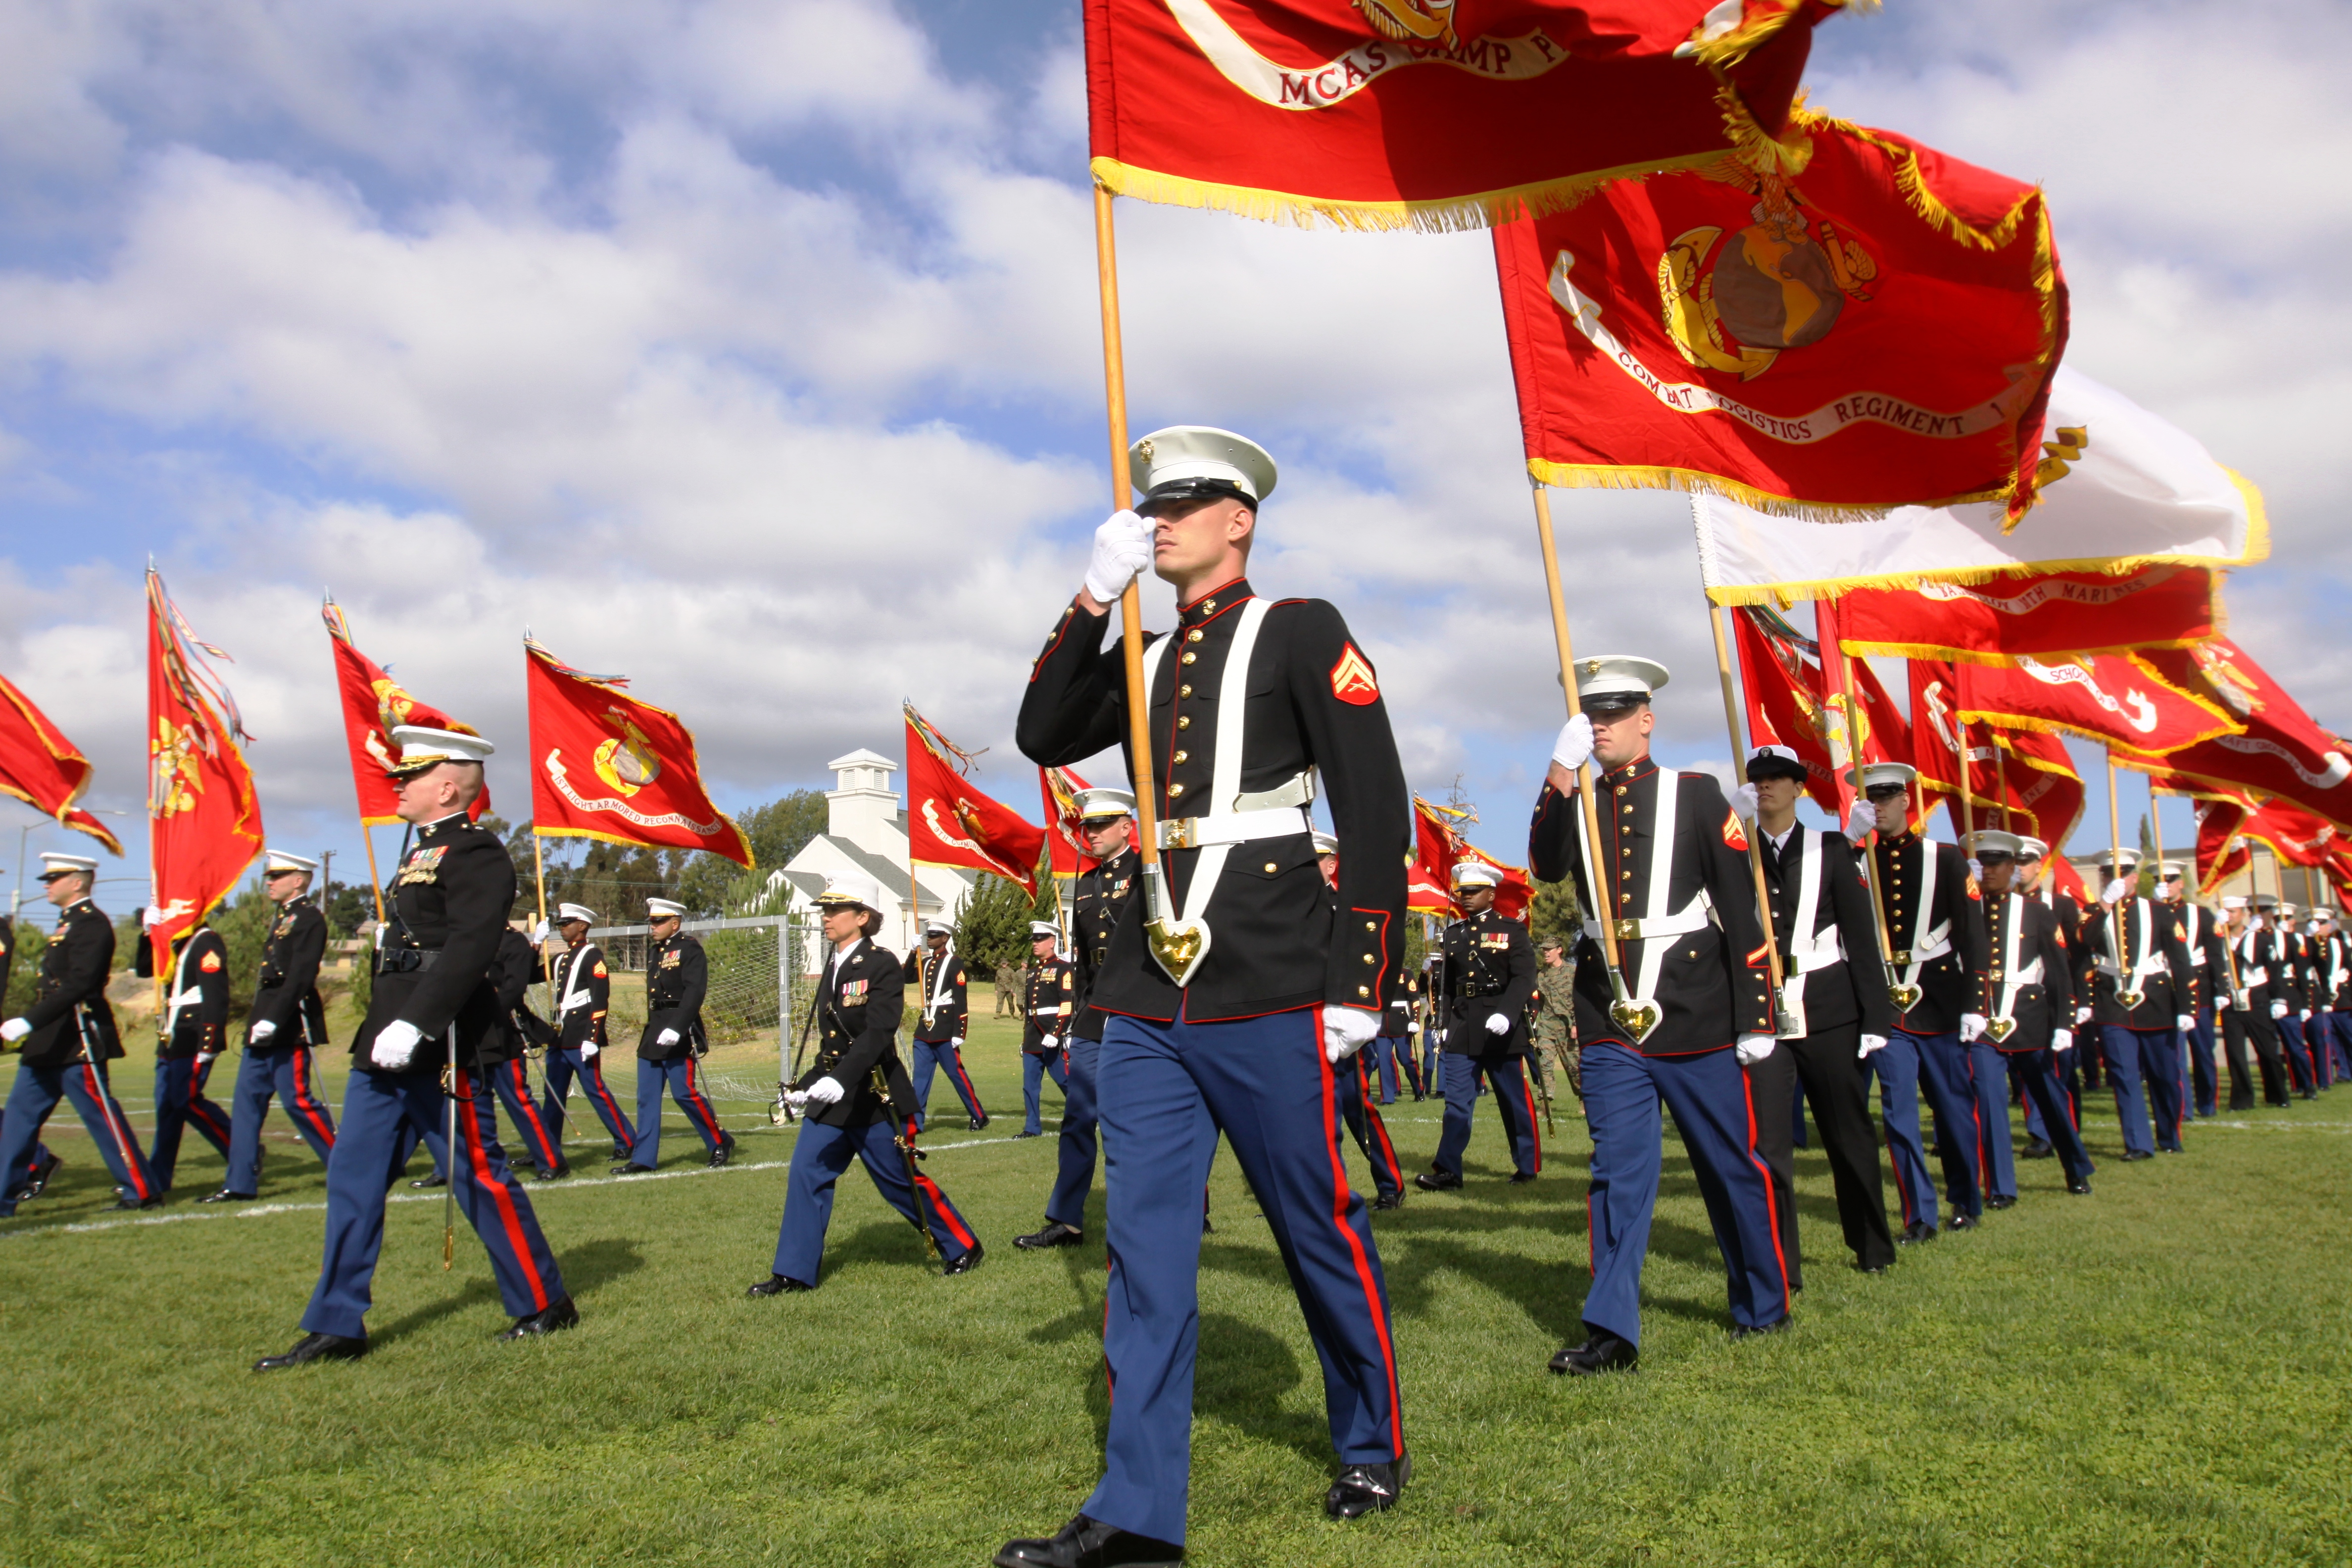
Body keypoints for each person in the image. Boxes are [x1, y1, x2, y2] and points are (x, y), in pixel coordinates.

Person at [1002, 424, 1411, 1565]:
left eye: (1182, 501)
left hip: (1272, 969)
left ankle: (1369, 1439)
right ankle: (1137, 1509)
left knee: (1311, 1223)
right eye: (1150, 504)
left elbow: (1376, 810)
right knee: (1141, 1246)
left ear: (1238, 518)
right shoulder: (1139, 652)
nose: (1160, 517)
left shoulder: (1300, 629)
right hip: (1147, 986)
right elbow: (1040, 732)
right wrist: (1091, 594)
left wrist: (1358, 980)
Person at [254, 727, 574, 1369]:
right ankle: (338, 1322)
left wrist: (421, 1021)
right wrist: (390, 1024)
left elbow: (472, 944)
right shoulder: (417, 852)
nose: (398, 786)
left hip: (444, 1038)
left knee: (476, 1173)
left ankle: (544, 1302)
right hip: (387, 1038)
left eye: (411, 777)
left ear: (447, 786)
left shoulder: (477, 852)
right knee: (352, 1175)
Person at [1527, 656, 1788, 1374]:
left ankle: (1763, 1303)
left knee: (1729, 1166)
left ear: (1647, 719)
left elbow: (1743, 912)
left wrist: (1757, 1017)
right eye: (1591, 713)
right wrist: (1557, 770)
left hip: (1698, 1010)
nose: (1601, 725)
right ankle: (1612, 1329)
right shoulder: (1576, 798)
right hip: (1611, 1012)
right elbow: (1544, 866)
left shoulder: (1697, 796)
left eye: (1614, 712)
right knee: (1618, 1172)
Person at [750, 874, 981, 1293]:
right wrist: (806, 1087)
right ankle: (794, 1272)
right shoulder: (833, 965)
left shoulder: (882, 964)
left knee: (898, 1182)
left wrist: (840, 1080)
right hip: (836, 1092)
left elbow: (878, 1033)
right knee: (806, 1171)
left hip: (875, 1094)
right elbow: (834, 1042)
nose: (826, 917)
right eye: (825, 909)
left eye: (836, 910)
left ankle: (963, 1245)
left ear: (862, 917)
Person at [1742, 745, 1894, 1276]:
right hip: (1764, 1014)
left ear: (1799, 788)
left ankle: (1872, 1246)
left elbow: (1860, 937)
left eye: (1778, 778)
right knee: (1768, 1146)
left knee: (1848, 1136)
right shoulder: (1739, 853)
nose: (1766, 786)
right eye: (1757, 778)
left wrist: (1876, 1018)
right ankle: (1782, 1263)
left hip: (1829, 1009)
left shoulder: (1830, 848)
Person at [1860, 762, 1989, 1240]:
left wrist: (1976, 1002)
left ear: (1906, 801)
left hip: (1939, 1002)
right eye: (1871, 797)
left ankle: (1965, 1198)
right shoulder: (1859, 861)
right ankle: (1919, 1213)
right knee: (1898, 1113)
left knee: (1953, 1110)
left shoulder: (1948, 858)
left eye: (1888, 796)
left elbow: (1973, 937)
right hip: (1887, 1009)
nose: (1879, 805)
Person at [0, 853, 160, 1214]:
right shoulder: (66, 923)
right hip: (48, 1040)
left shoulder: (93, 924)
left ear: (77, 882)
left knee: (102, 1119)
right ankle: (3, 1198)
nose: (46, 885)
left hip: (76, 1038)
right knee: (17, 1121)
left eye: (54, 878)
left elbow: (79, 985)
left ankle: (141, 1188)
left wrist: (29, 1020)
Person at [1018, 786, 1138, 1250]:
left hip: (1141, 1011)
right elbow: (1086, 962)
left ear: (1127, 827)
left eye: (1101, 825)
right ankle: (1067, 1221)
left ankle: (1177, 1211)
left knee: (1140, 1121)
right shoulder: (1085, 884)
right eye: (1086, 826)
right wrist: (1077, 1020)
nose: (1090, 834)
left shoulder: (1151, 873)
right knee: (1078, 1118)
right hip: (1095, 1016)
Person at [1966, 831, 2093, 1199]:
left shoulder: (2038, 912)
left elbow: (2058, 970)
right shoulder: (1968, 909)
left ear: (2013, 868)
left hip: (2030, 1019)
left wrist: (2065, 1022)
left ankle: (2075, 1167)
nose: (1988, 872)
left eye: (1997, 865)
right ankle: (2001, 1187)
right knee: (1989, 1102)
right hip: (1983, 1021)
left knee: (2051, 1099)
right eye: (1983, 864)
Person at [207, 851, 340, 1202]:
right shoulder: (284, 916)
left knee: (297, 1101)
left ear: (298, 880)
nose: (269, 882)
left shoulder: (310, 919)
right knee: (247, 1104)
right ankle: (239, 1182)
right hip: (263, 1022)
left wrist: (274, 1017)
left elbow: (300, 975)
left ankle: (346, 1166)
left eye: (276, 876)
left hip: (287, 1023)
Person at [1417, 861, 1540, 1190]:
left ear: (1491, 893)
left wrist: (1508, 1012)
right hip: (1462, 1023)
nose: (1466, 897)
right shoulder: (1454, 935)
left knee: (1512, 1100)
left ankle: (1527, 1165)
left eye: (1473, 892)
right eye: (1463, 892)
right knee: (1457, 1101)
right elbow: (1445, 986)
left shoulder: (1512, 931)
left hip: (1500, 1023)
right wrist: (1441, 1023)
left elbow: (1525, 977)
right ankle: (1448, 1171)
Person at [2079, 848, 2195, 1159]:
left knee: (2165, 1075)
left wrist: (2187, 1006)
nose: (2113, 880)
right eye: (2107, 875)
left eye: (2121, 874)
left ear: (2133, 877)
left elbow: (2180, 960)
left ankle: (2170, 1136)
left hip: (2155, 999)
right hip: (2112, 1000)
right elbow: (2083, 943)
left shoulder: (2158, 910)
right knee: (2123, 1074)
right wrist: (2106, 904)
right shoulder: (2094, 911)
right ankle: (2138, 1144)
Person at [1318, 832, 1405, 1211]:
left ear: (1332, 865)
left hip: (1339, 1026)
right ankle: (1315, 1195)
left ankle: (1390, 1183)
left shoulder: (1343, 908)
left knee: (1357, 1110)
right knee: (1306, 1116)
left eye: (1315, 860)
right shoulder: (1286, 909)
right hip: (1299, 1022)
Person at [617, 897, 734, 1174]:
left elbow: (695, 992)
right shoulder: (654, 951)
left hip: (679, 1032)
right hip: (654, 1031)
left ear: (675, 923)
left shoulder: (689, 949)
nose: (653, 927)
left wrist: (678, 1027)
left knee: (684, 1094)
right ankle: (643, 1159)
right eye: (651, 921)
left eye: (658, 921)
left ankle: (720, 1141)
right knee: (646, 1098)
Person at [536, 903, 636, 1162]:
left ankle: (626, 1140)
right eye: (559, 925)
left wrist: (592, 1038)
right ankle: (546, 1148)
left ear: (582, 926)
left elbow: (601, 998)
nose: (562, 929)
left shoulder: (592, 956)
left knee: (595, 1090)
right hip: (559, 1037)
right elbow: (526, 975)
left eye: (565, 924)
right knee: (553, 1095)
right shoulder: (560, 958)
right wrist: (536, 944)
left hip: (581, 1038)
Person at [144, 914, 235, 1194]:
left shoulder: (206, 941)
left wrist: (209, 1042)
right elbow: (144, 968)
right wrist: (148, 934)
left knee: (185, 1099)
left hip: (193, 1034)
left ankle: (242, 1152)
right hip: (172, 1034)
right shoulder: (174, 941)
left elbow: (216, 996)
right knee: (167, 1108)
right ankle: (158, 1177)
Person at [487, 923, 569, 1179]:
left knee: (516, 1099)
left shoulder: (510, 941)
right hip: (465, 1030)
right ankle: (450, 1166)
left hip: (500, 1028)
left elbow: (516, 983)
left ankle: (550, 1160)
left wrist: (533, 946)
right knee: (459, 1101)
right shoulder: (465, 936)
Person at [906, 919, 988, 1132]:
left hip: (945, 1029)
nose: (930, 939)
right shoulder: (925, 963)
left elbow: (961, 999)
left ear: (946, 938)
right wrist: (911, 952)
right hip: (925, 1029)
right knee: (920, 1079)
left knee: (956, 1075)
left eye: (934, 936)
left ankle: (979, 1116)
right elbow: (905, 977)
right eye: (928, 936)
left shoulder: (955, 963)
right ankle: (916, 1124)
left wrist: (960, 1032)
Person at [2157, 864, 2225, 1120]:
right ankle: (2182, 1107)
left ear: (2181, 883)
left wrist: (2222, 987)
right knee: (2175, 1054)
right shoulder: (2154, 912)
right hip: (2167, 989)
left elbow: (2216, 955)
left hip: (2200, 991)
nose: (2167, 885)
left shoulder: (2202, 915)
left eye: (2171, 880)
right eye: (2161, 881)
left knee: (2203, 1052)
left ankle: (2207, 1103)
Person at [2220, 896, 2290, 1108]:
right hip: (2231, 1002)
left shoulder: (2259, 939)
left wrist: (2279, 1000)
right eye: (2227, 912)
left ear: (2244, 914)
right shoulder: (2218, 939)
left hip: (2257, 999)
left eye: (2234, 911)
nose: (2230, 916)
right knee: (2236, 1055)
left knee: (2268, 1052)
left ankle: (2278, 1095)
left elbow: (2276, 971)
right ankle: (2242, 1100)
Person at [1017, 922, 1073, 1139]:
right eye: (1034, 940)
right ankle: (1032, 1128)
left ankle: (1084, 1113)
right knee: (1030, 1085)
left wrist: (1056, 1033)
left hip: (1052, 1036)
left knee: (1064, 1080)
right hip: (1033, 1036)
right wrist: (1025, 1038)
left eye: (1040, 940)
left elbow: (1067, 1004)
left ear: (1052, 942)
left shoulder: (1063, 968)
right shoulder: (1031, 972)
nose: (1036, 944)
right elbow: (1030, 1010)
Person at [2265, 899, 2319, 1097]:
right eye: (2279, 918)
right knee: (2270, 1050)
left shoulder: (2296, 940)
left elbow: (2304, 972)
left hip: (2290, 998)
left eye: (2287, 918)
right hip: (2266, 995)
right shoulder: (2265, 938)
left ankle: (2308, 1085)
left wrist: (2307, 1003)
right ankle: (2278, 1089)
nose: (2283, 921)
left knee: (2296, 1047)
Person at [1530, 934, 1581, 1112]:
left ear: (1559, 950)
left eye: (1549, 949)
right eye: (1544, 949)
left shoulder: (1572, 972)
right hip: (1547, 1026)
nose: (1546, 953)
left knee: (1574, 1066)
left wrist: (1576, 1024)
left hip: (1568, 1027)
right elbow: (1541, 1003)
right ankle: (1545, 1104)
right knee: (1544, 1064)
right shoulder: (1542, 975)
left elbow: (1579, 1001)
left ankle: (1584, 1099)